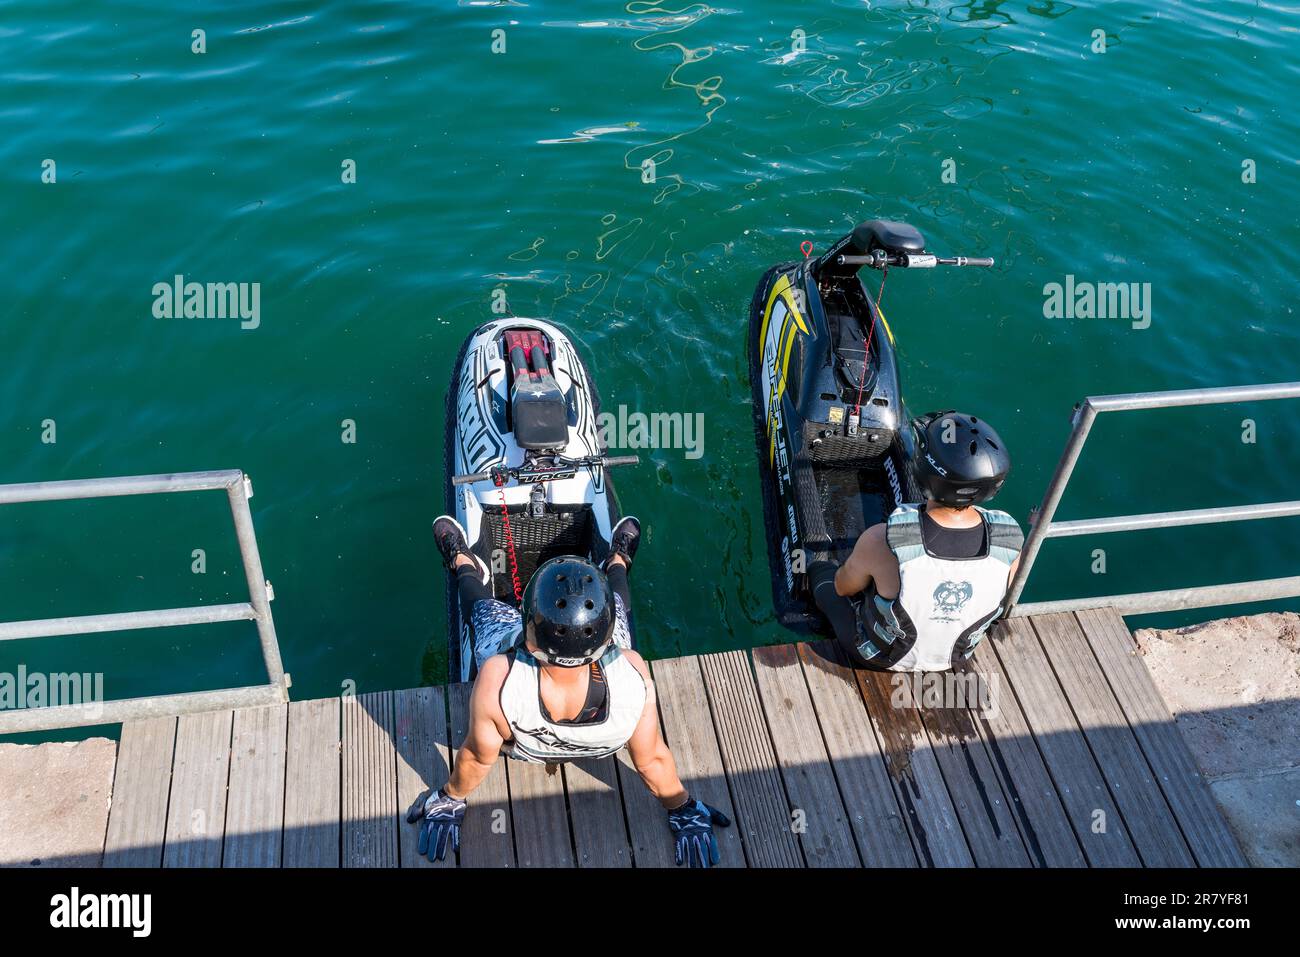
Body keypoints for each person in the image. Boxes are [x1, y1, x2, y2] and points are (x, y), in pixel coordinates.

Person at [410, 513, 731, 867]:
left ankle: (462, 563)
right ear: (603, 640)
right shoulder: (633, 672)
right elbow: (652, 759)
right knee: (619, 608)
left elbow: (476, 757)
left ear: (529, 635)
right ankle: (618, 560)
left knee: (481, 611)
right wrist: (683, 809)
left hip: (526, 748)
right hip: (598, 742)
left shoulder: (497, 679)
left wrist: (449, 798)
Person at [810, 411, 1023, 672]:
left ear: (925, 473)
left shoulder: (881, 539)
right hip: (952, 658)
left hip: (881, 656)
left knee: (822, 577)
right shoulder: (1009, 542)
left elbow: (843, 587)